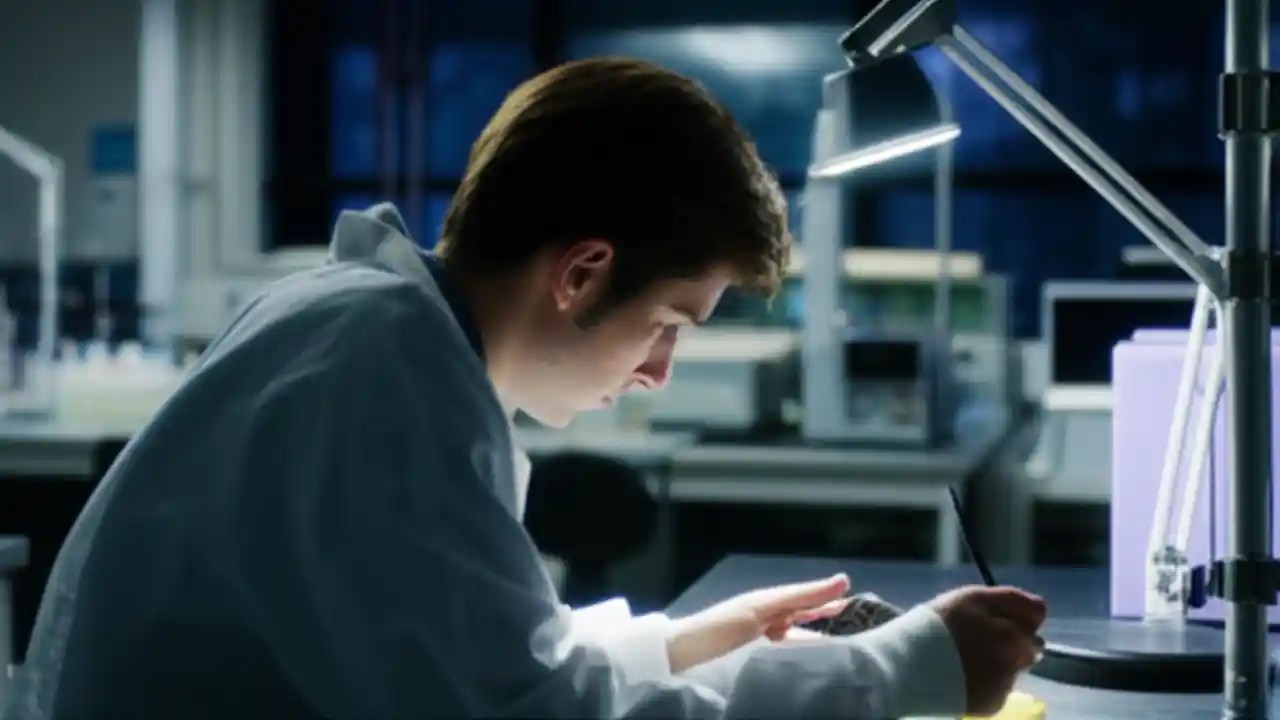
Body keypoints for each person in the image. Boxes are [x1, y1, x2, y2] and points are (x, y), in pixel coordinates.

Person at [5, 57, 1045, 719]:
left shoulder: (370, 334)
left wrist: (685, 640)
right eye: (667, 324)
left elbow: (458, 652)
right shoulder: (384, 376)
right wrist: (902, 671)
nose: (657, 370)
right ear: (582, 270)